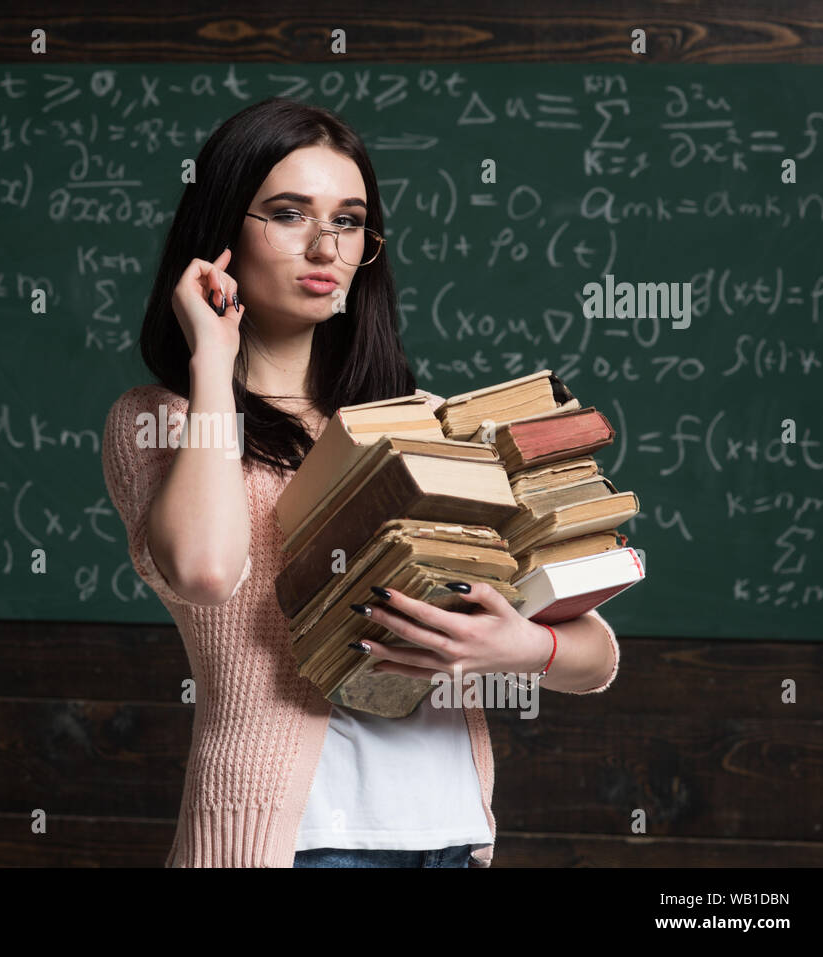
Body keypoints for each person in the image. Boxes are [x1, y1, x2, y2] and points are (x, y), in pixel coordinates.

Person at [101, 97, 620, 868]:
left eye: (347, 221)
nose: (324, 246)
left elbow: (598, 655)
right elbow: (205, 571)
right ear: (221, 232)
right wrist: (212, 359)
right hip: (289, 845)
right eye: (287, 213)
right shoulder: (164, 420)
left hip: (449, 841)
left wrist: (513, 644)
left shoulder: (429, 427)